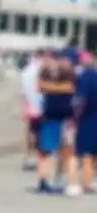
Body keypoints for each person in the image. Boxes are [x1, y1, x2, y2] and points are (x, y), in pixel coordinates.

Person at [36, 51, 75, 193]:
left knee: (66, 149)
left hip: (66, 116)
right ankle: (44, 180)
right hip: (50, 115)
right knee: (45, 150)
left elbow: (70, 88)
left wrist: (51, 87)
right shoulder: (45, 71)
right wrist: (59, 88)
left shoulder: (70, 73)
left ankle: (61, 179)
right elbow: (40, 86)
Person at [69, 50, 97, 194]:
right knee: (92, 154)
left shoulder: (85, 77)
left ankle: (79, 183)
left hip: (87, 119)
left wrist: (74, 117)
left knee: (83, 153)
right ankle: (89, 181)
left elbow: (80, 100)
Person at [19, 49, 44, 170]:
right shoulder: (42, 69)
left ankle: (29, 156)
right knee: (38, 130)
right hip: (40, 103)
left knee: (30, 129)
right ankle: (37, 155)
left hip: (28, 102)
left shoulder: (26, 70)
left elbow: (23, 90)